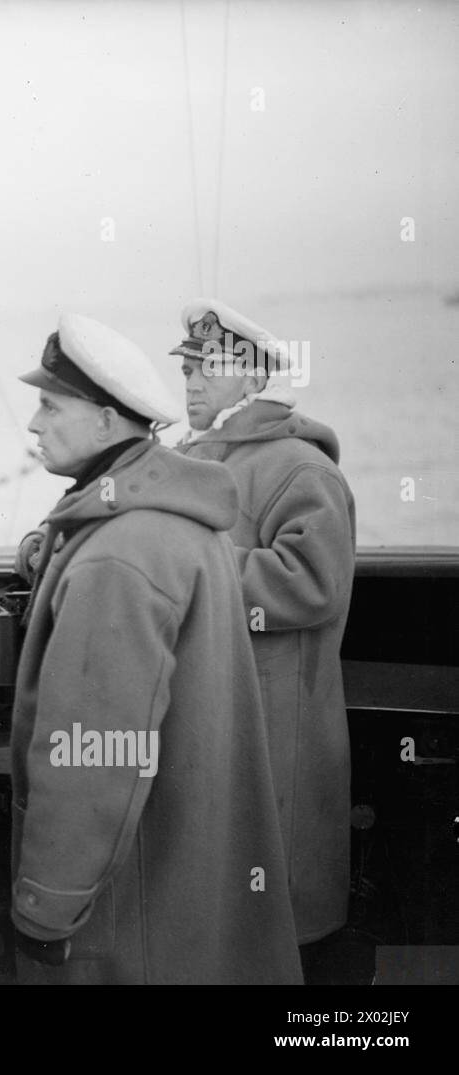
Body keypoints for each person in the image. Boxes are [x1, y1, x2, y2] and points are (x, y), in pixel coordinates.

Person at [9, 312, 302, 984]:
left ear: (108, 424)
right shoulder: (177, 521)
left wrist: (44, 909)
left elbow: (92, 758)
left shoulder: (118, 557)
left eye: (51, 406)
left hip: (126, 910)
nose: (33, 424)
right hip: (182, 881)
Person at [170, 298, 355, 964]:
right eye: (187, 368)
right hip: (220, 721)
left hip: (279, 735)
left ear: (253, 377)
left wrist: (187, 563)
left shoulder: (301, 469)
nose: (189, 380)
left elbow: (313, 582)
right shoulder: (194, 460)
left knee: (276, 922)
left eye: (207, 367)